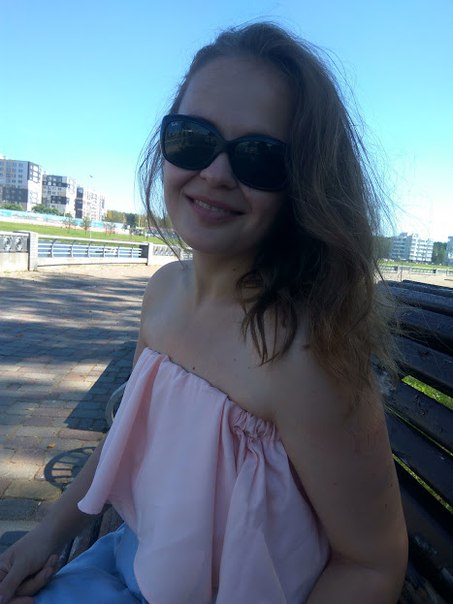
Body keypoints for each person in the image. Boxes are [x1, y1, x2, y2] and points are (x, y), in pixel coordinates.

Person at [0, 22, 408, 604]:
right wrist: (46, 535)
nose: (216, 173)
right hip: (127, 556)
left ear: (304, 184)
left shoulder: (304, 359)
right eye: (193, 138)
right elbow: (124, 438)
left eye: (260, 157)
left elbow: (372, 563)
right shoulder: (163, 292)